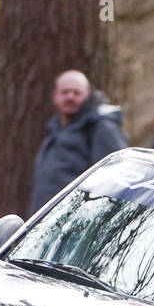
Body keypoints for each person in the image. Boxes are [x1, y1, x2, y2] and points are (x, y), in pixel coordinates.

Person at [28, 70, 128, 214]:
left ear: (87, 95)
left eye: (76, 92)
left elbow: (115, 184)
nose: (70, 97)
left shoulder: (101, 128)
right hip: (47, 225)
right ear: (54, 96)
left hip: (78, 225)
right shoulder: (53, 129)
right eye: (65, 92)